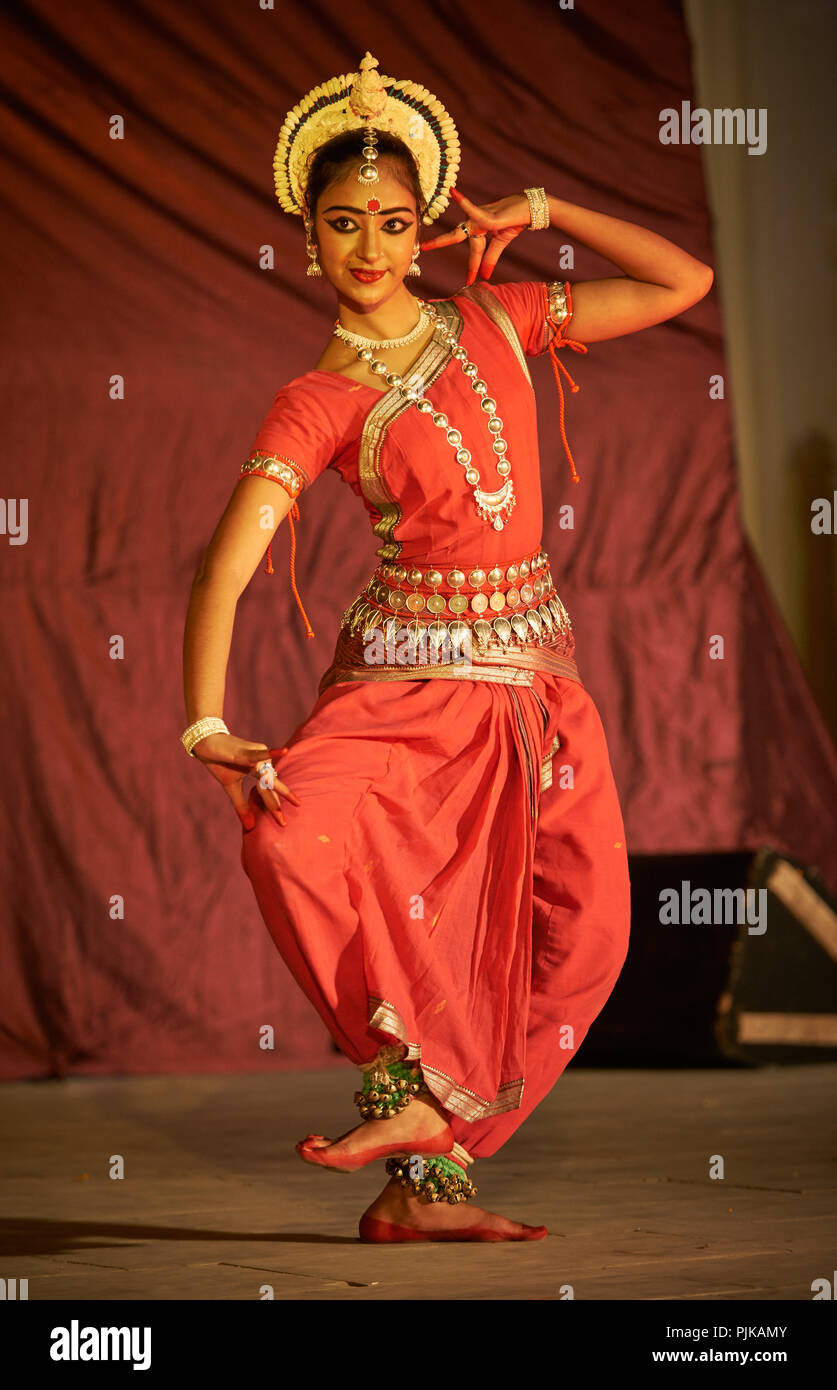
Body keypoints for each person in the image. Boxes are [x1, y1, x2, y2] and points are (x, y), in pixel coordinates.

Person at [181, 53, 713, 1243]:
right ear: (306, 237)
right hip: (404, 690)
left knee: (590, 934)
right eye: (341, 226)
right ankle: (409, 1099)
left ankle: (425, 1182)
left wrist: (544, 212)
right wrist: (204, 721)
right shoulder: (312, 401)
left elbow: (685, 279)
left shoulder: (498, 316)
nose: (369, 247)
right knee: (296, 832)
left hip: (537, 690)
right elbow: (222, 566)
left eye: (391, 221)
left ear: (424, 227)